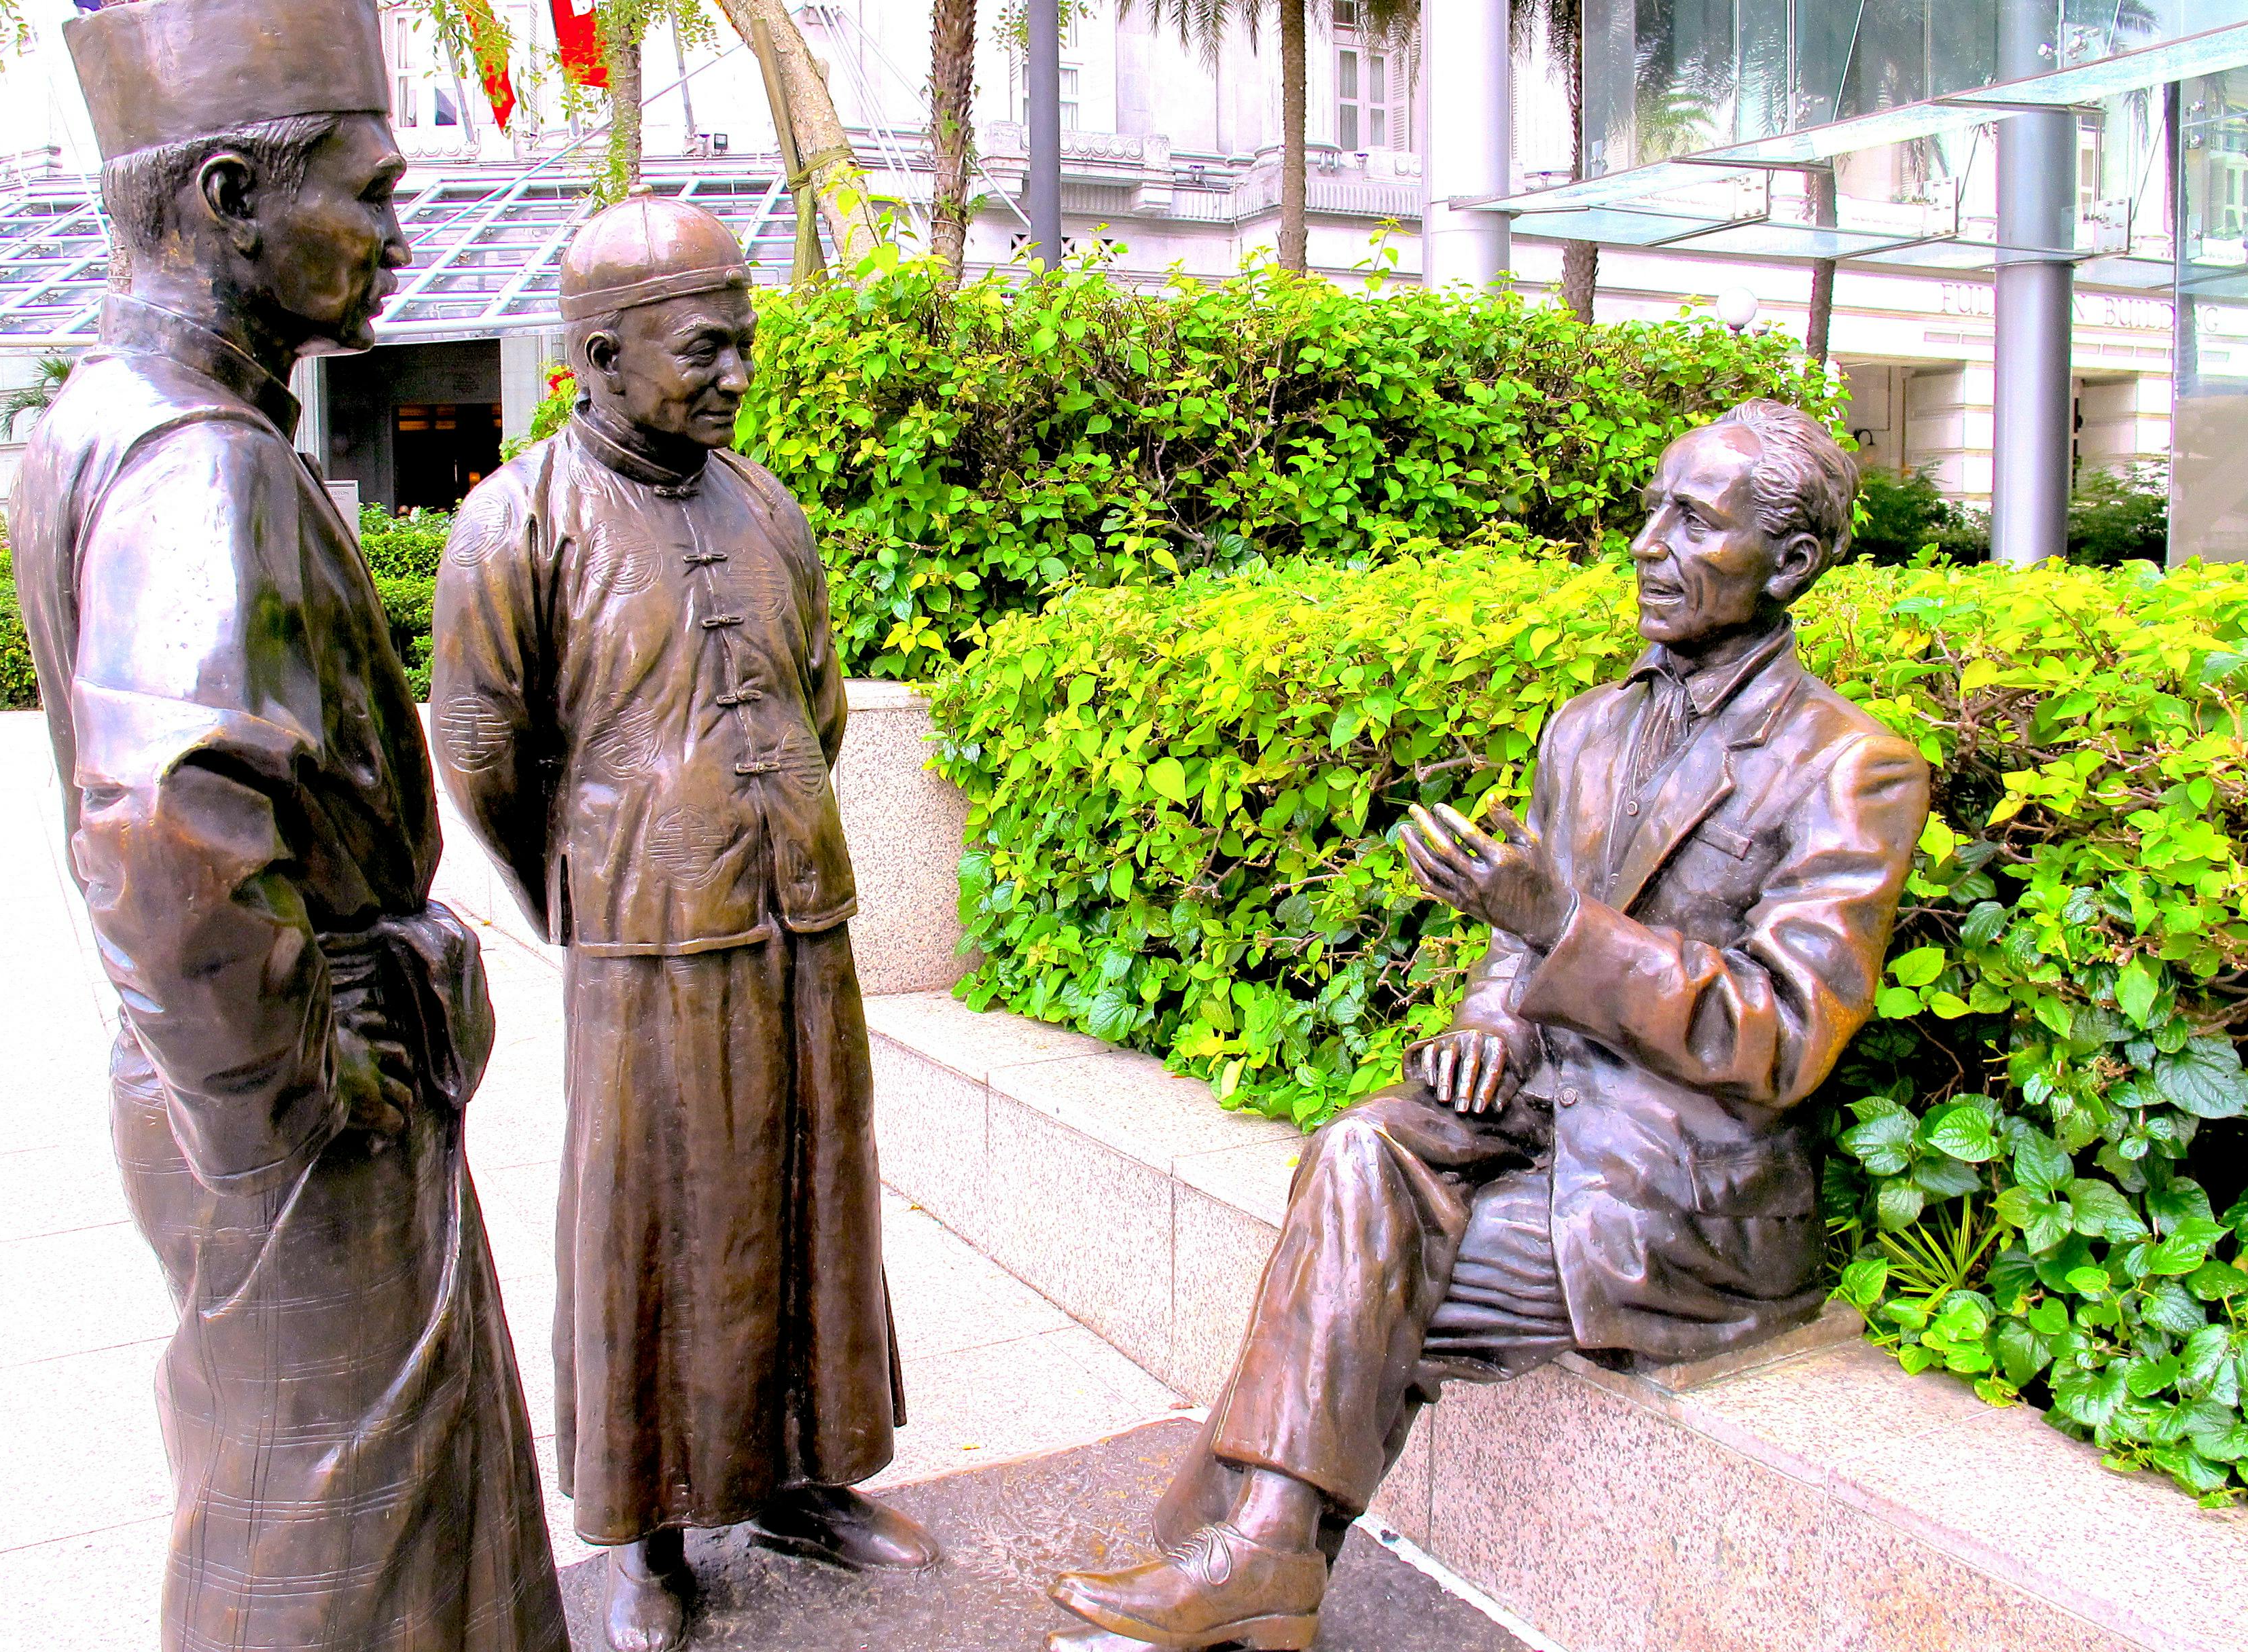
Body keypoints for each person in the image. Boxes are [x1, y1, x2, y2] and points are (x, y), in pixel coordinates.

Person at [1046, 400, 1932, 1652]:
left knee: (1355, 1283)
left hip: (1674, 1195)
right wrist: (1490, 1030)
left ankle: (1242, 1559)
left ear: (1788, 565)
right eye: (1648, 509)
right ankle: (1251, 1568)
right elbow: (1518, 954)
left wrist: (1557, 926)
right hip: (1530, 1126)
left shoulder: (1852, 767)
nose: (1645, 543)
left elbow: (1778, 1033)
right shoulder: (1587, 727)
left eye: (1692, 520)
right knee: (1358, 1156)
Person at [7, 1, 567, 1649]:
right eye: (371, 195)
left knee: (333, 1503)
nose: (402, 234)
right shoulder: (199, 458)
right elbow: (163, 822)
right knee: (344, 1540)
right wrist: (309, 1086)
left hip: (258, 1078)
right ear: (233, 196)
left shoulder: (112, 414)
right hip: (294, 1105)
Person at [430, 191, 934, 1652]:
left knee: (815, 1199)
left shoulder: (765, 502)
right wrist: (596, 884)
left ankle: (802, 1478)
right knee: (650, 1224)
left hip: (796, 912)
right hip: (647, 929)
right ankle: (645, 1531)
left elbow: (817, 698)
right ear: (599, 352)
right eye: (703, 350)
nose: (733, 375)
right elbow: (480, 747)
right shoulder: (512, 521)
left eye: (742, 346)